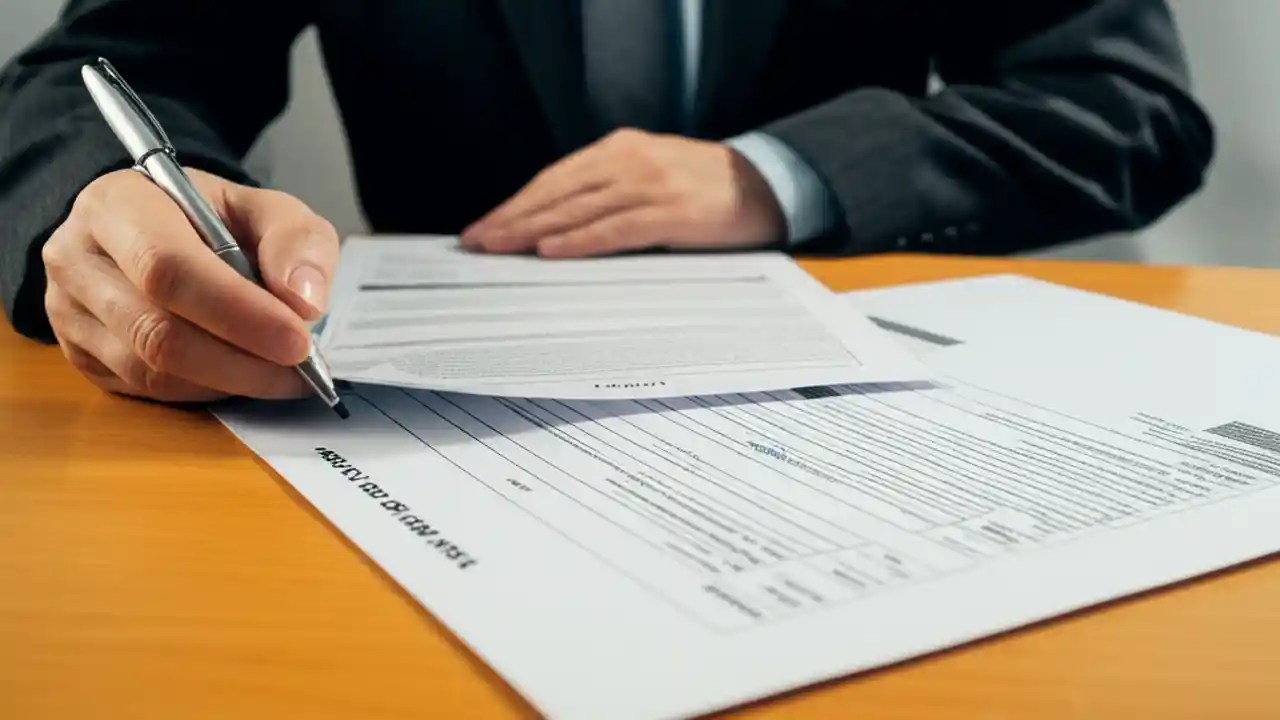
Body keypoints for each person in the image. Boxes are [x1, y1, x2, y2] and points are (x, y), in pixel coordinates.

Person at [0, 0, 1212, 403]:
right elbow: (97, 70)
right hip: (416, 410)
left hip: (859, 373)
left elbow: (1125, 109)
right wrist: (104, 199)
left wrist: (777, 175)